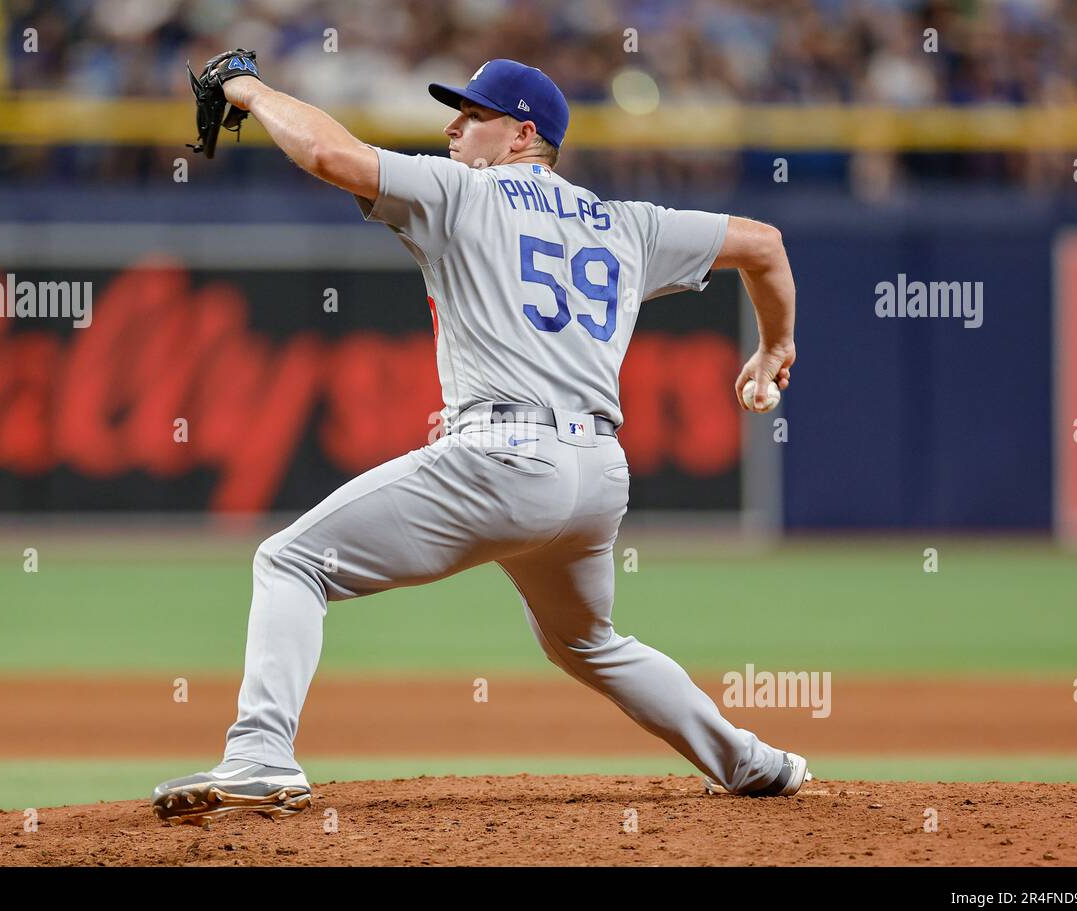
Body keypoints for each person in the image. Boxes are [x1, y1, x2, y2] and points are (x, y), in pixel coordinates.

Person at [153, 58, 803, 825]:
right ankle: (753, 763)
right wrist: (775, 347)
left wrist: (250, 91)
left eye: (474, 114)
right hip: (598, 475)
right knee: (585, 642)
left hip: (504, 457)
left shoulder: (462, 190)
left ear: (523, 133)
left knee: (291, 560)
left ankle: (261, 755)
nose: (454, 126)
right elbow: (763, 243)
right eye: (455, 113)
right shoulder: (630, 222)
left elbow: (331, 156)